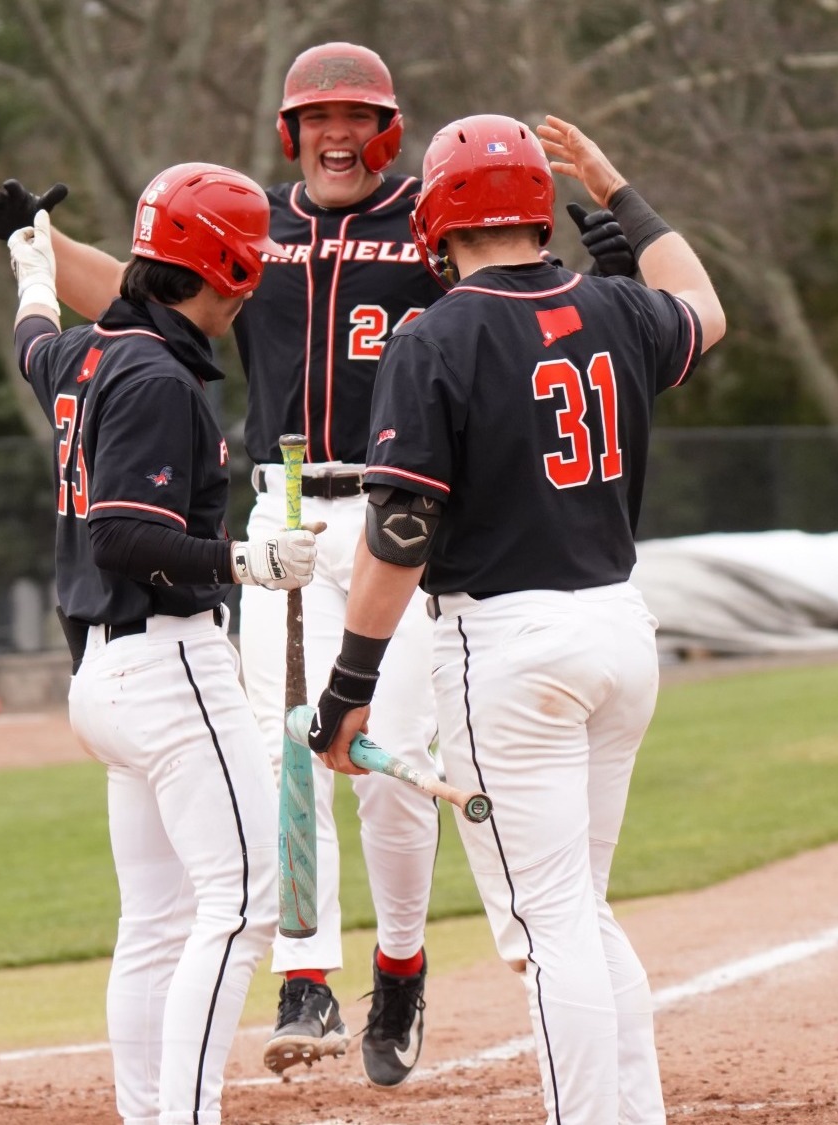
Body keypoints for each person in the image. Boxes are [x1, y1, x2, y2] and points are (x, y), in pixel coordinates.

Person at [0, 42, 636, 1083]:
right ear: (290, 133)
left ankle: (400, 967)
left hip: (393, 510)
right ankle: (306, 977)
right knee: (286, 753)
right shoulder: (261, 231)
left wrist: (610, 269)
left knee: (389, 763)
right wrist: (40, 244)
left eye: (357, 117)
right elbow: (149, 288)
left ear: (387, 131)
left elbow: (518, 298)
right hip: (282, 511)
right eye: (317, 117)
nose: (337, 133)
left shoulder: (429, 224)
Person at [306, 115, 725, 1125]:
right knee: (578, 907)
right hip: (618, 627)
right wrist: (616, 187)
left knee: (548, 926)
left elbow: (400, 535)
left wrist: (350, 686)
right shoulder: (618, 306)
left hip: (508, 650)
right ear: (540, 208)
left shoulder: (433, 335)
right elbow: (706, 308)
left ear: (436, 219)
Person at [7, 163, 320, 1124]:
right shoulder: (154, 376)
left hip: (108, 677)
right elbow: (121, 534)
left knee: (156, 923)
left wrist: (31, 267)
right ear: (224, 268)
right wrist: (248, 561)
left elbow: (32, 343)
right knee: (244, 905)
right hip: (169, 664)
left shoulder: (91, 353)